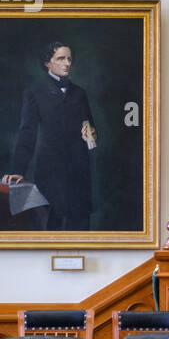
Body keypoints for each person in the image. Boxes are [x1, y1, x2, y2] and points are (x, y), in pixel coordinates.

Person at [1, 42, 97, 229]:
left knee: (80, 225)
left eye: (69, 58)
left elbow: (90, 125)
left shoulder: (80, 93)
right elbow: (27, 132)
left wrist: (92, 132)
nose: (67, 63)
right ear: (47, 63)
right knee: (52, 224)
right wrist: (18, 169)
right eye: (61, 58)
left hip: (79, 170)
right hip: (50, 172)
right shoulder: (35, 92)